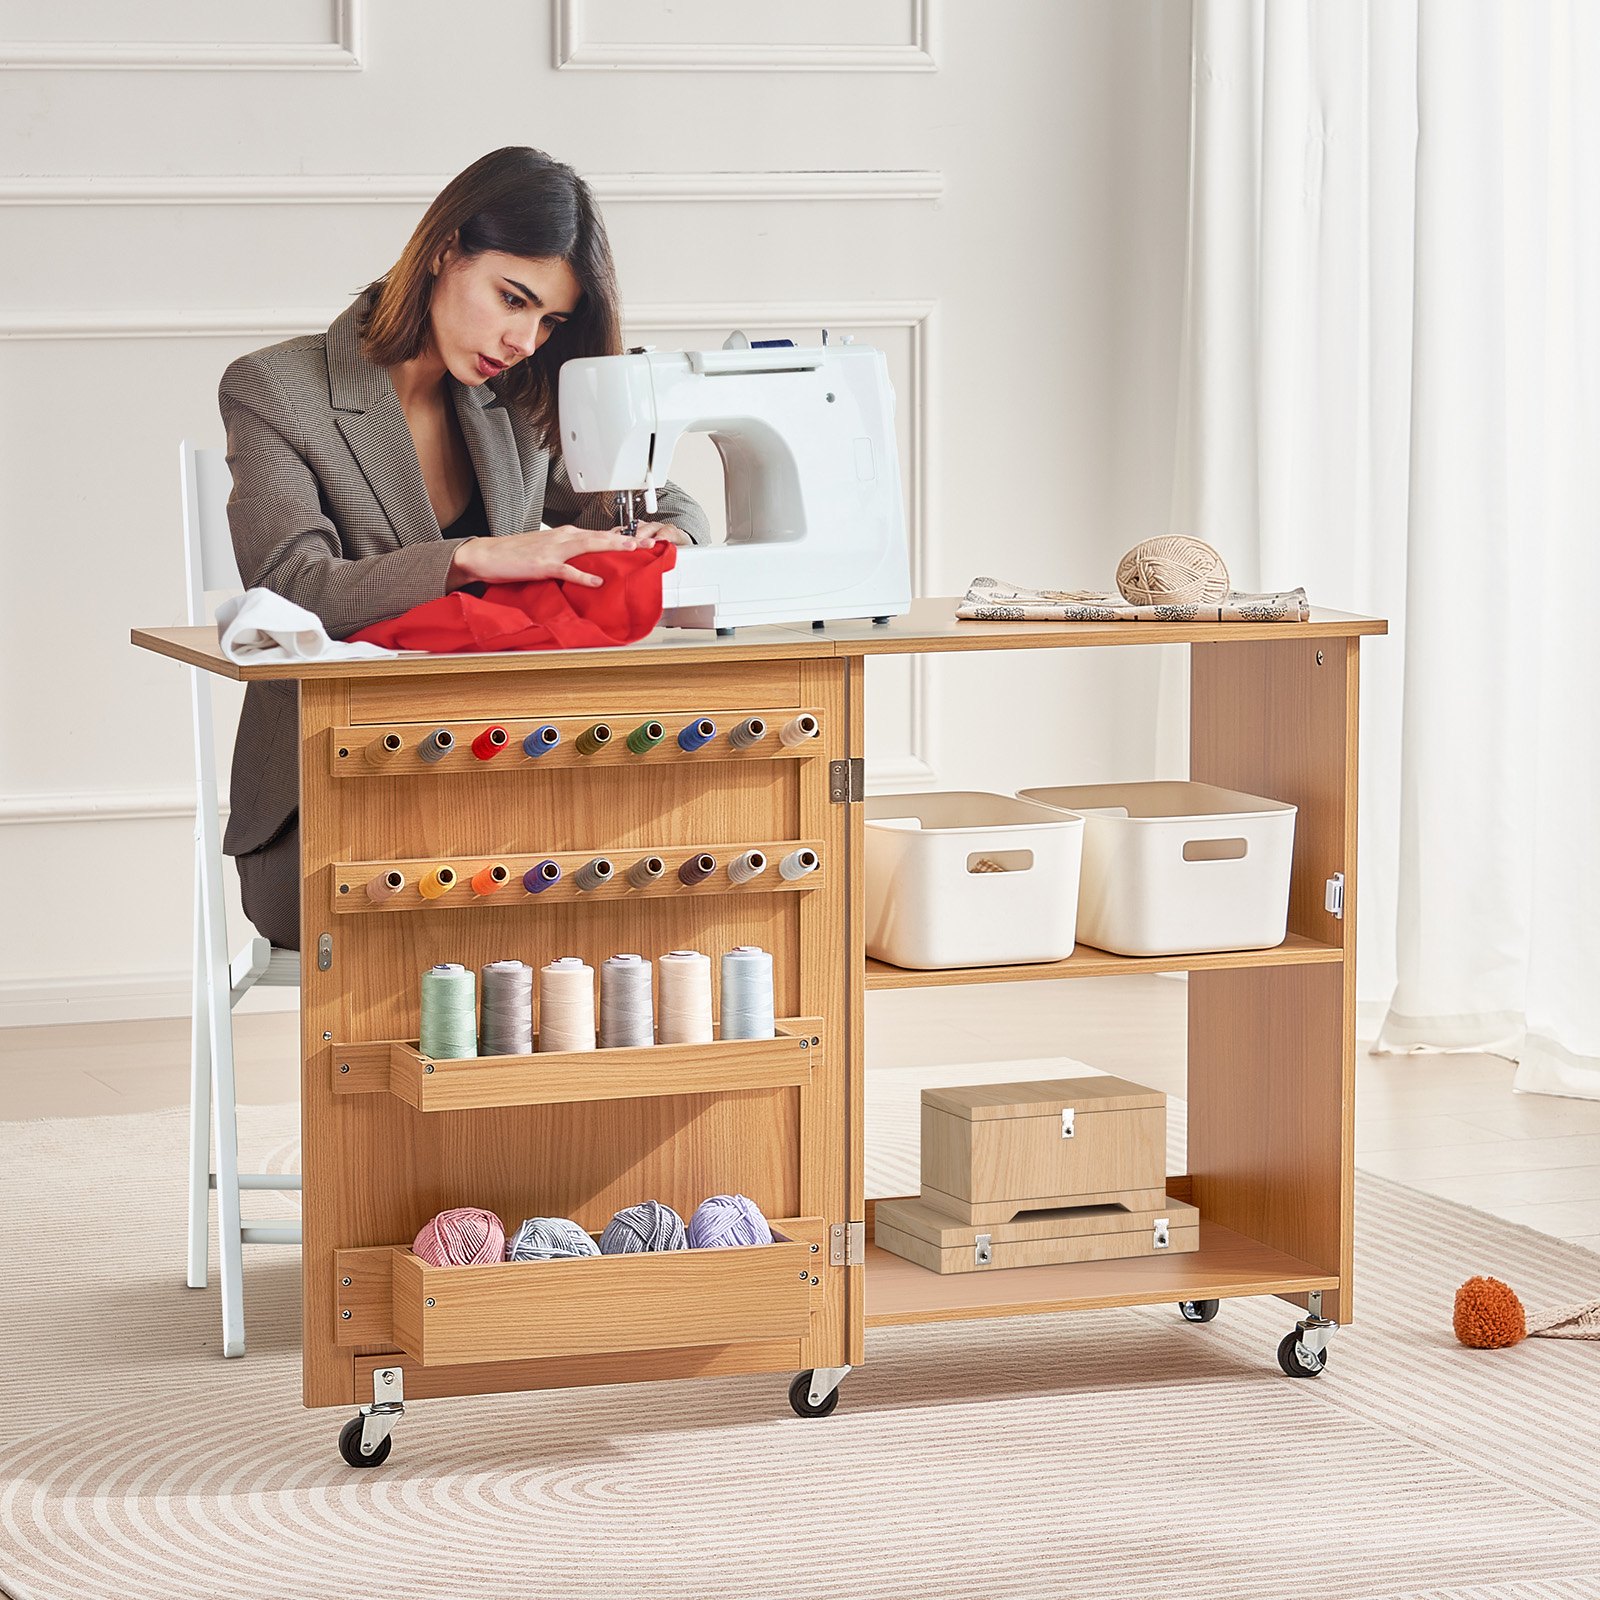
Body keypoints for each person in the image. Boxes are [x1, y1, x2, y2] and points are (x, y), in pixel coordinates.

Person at [217, 146, 707, 951]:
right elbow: (291, 587)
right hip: (335, 800)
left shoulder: (511, 404)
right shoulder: (277, 389)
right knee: (582, 906)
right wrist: (472, 557)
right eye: (513, 299)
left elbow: (657, 496)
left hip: (500, 776)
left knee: (656, 879)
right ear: (445, 249)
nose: (525, 338)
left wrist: (668, 532)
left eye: (549, 320)